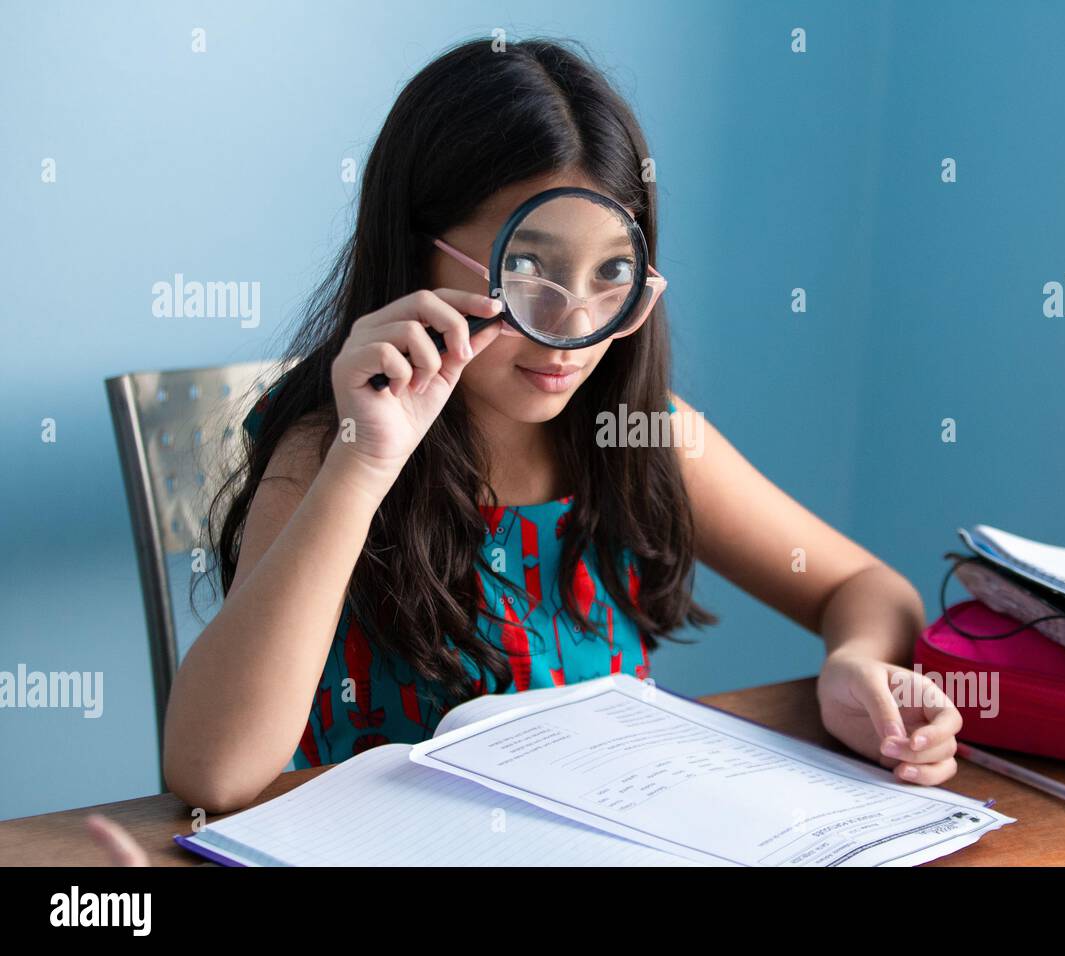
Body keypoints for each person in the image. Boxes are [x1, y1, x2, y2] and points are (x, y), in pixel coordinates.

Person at [163, 37, 960, 814]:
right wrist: (365, 465)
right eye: (528, 269)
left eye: (612, 273)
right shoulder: (328, 449)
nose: (571, 329)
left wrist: (854, 663)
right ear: (417, 254)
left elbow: (867, 590)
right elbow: (212, 773)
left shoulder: (639, 438)